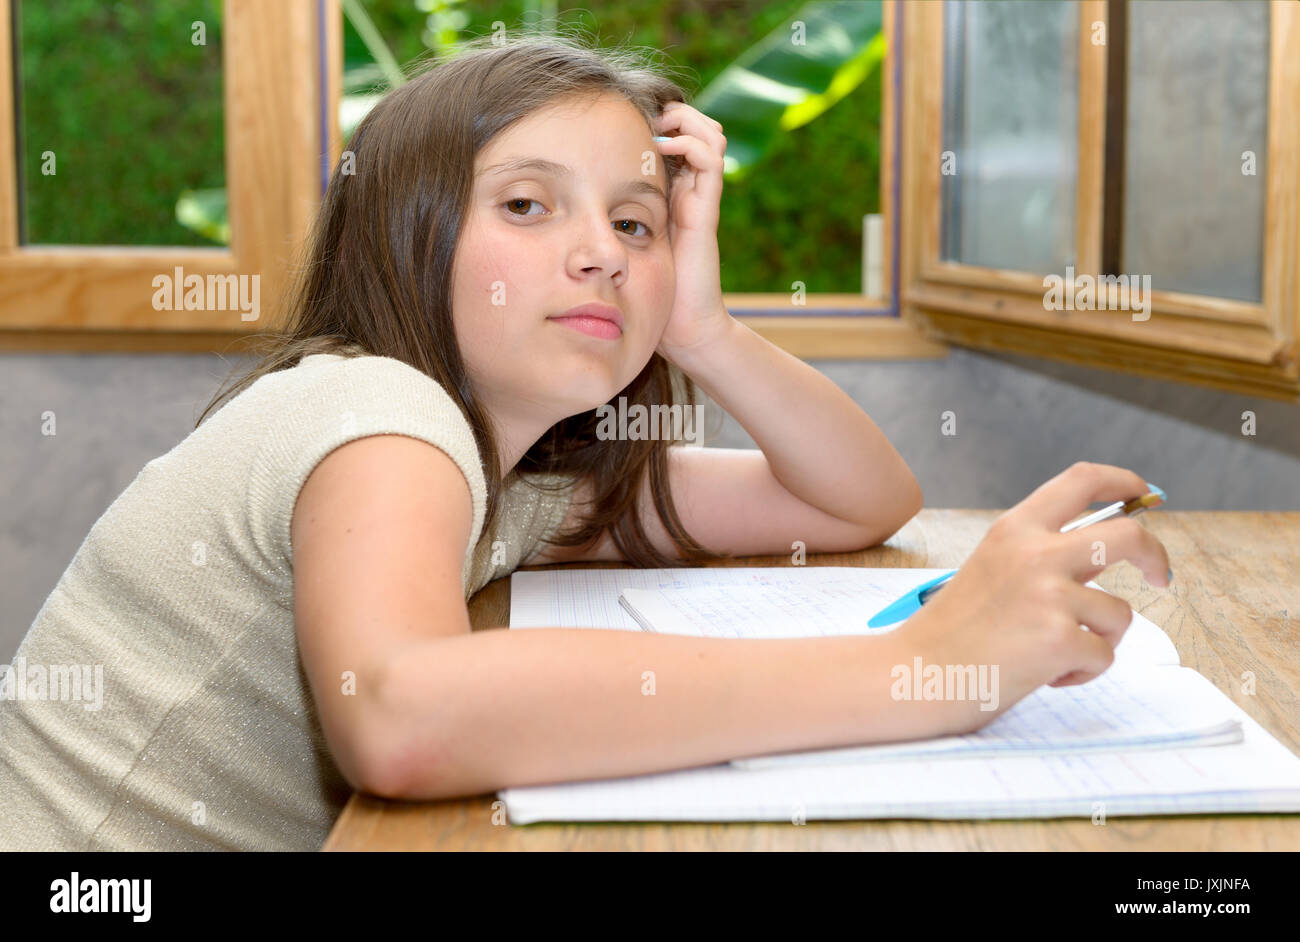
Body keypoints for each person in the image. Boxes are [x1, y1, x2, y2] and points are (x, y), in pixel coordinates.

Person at [0, 33, 1169, 852]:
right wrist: (917, 674)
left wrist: (702, 329)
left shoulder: (517, 475)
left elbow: (851, 502)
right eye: (526, 205)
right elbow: (399, 715)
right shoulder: (377, 419)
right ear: (405, 237)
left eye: (634, 221)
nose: (603, 251)